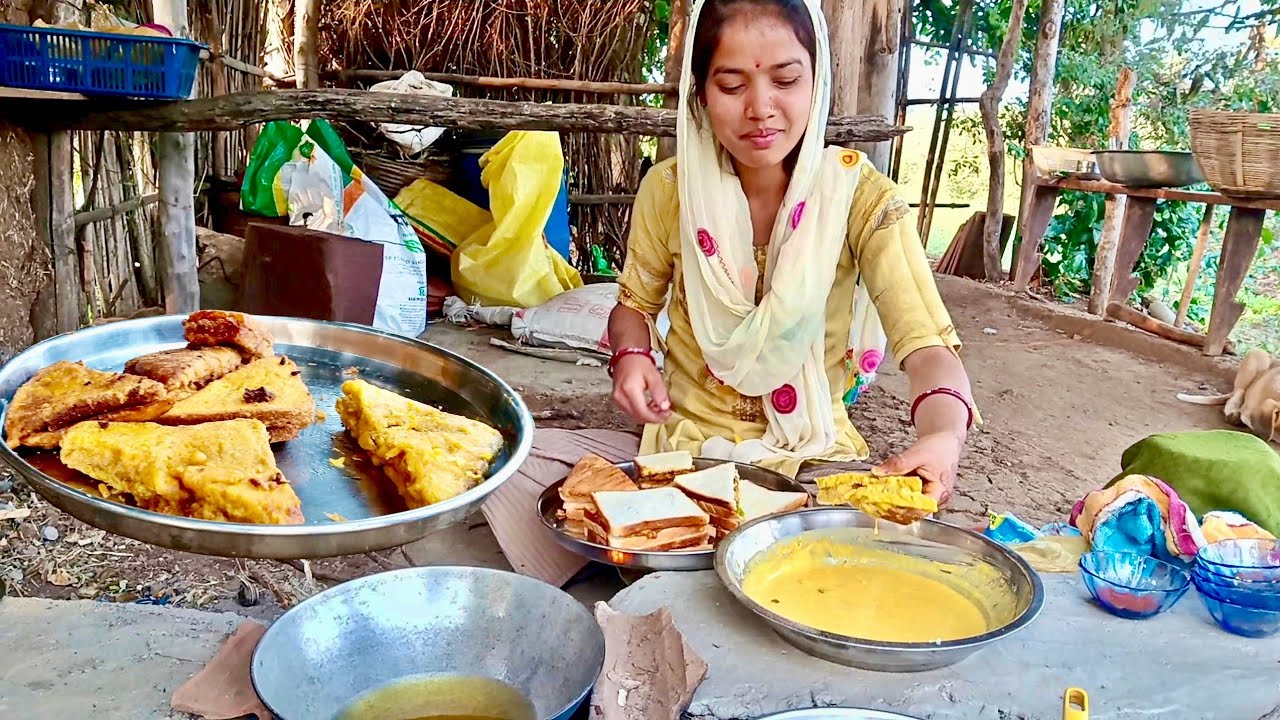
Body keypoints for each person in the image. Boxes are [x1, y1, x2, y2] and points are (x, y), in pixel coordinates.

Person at [481, 0, 978, 586]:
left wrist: (943, 436)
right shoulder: (670, 190)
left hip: (809, 462)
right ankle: (686, 551)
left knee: (861, 557)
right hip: (684, 453)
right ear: (700, 93)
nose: (761, 109)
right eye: (732, 84)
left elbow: (928, 348)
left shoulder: (860, 200)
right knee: (505, 466)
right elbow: (633, 310)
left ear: (817, 83)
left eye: (787, 80)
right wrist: (633, 357)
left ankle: (684, 560)